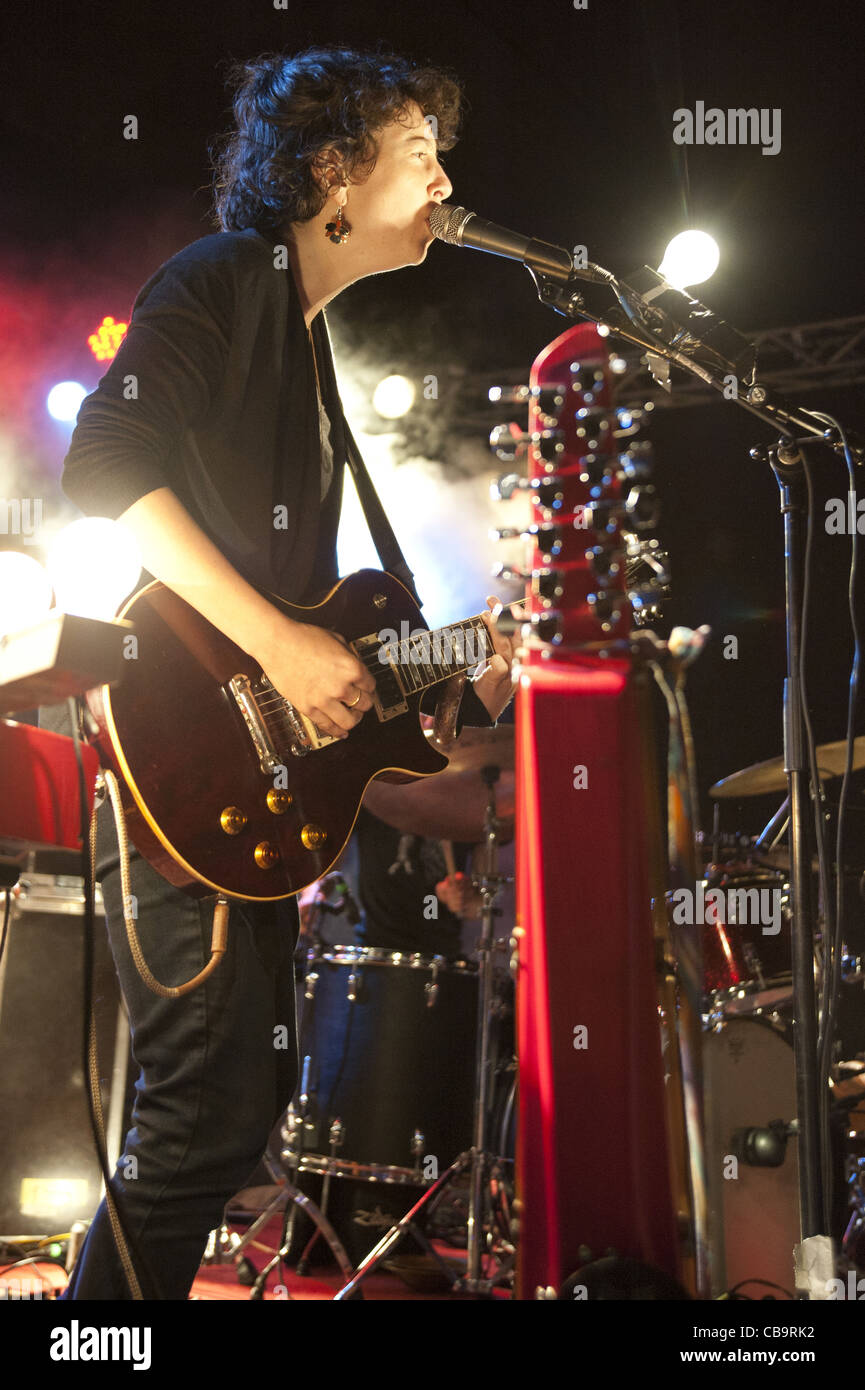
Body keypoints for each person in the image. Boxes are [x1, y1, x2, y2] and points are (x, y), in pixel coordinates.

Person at [46, 46, 517, 1300]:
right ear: (331, 172)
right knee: (193, 1126)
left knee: (219, 1123)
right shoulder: (221, 277)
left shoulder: (303, 340)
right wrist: (279, 642)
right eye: (420, 154)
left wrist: (458, 667)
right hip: (177, 775)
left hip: (241, 792)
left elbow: (338, 645)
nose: (444, 181)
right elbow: (101, 464)